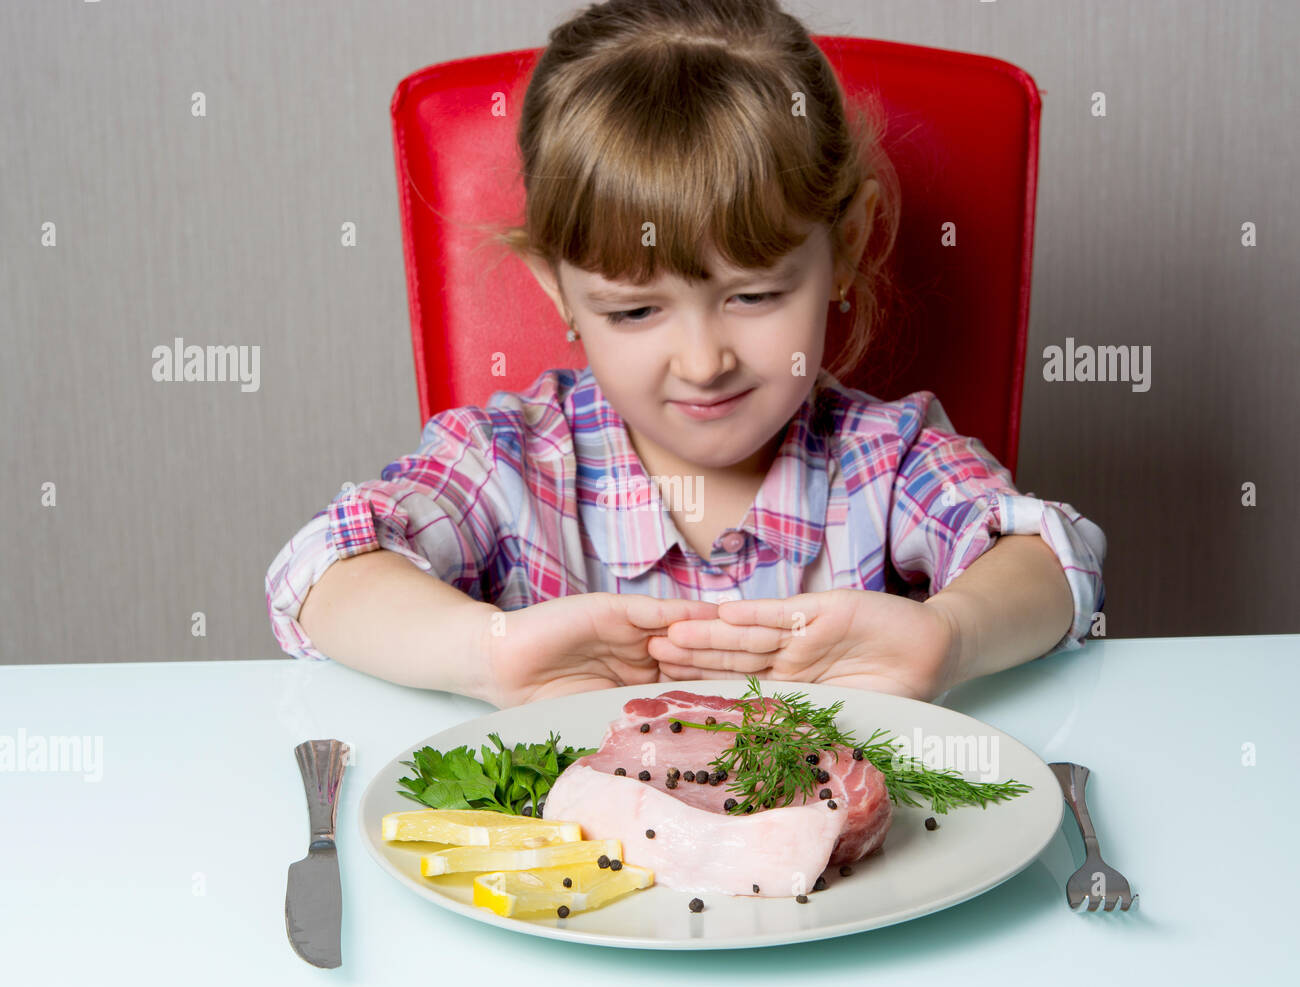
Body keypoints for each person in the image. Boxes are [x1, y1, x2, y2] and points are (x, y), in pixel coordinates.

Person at [265, 0, 1105, 710]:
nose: (704, 362)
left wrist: (947, 640)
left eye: (755, 296)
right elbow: (320, 572)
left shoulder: (883, 458)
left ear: (845, 246)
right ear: (556, 289)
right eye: (634, 309)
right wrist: (487, 652)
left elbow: (1053, 560)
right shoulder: (513, 459)